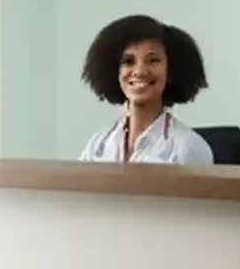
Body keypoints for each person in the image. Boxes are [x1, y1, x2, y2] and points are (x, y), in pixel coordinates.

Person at [79, 14, 214, 165]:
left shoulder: (189, 148)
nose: (140, 71)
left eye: (153, 60)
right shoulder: (99, 143)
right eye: (128, 62)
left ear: (171, 72)